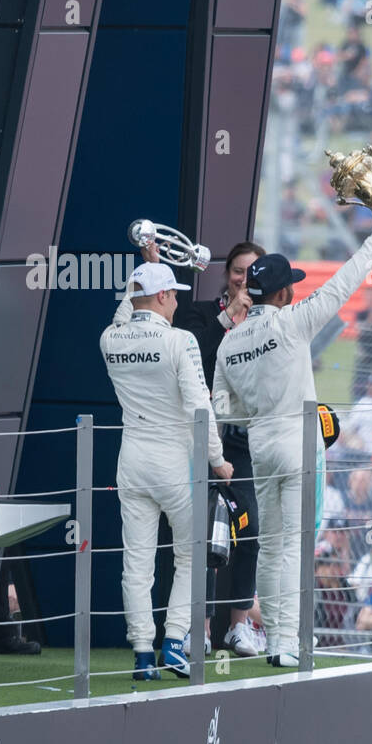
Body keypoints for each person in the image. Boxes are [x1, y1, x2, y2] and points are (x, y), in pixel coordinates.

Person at [213, 195, 372, 666]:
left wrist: (257, 407)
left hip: (259, 444)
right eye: (290, 286)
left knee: (271, 547)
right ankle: (287, 643)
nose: (294, 291)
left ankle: (277, 639)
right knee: (292, 548)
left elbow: (220, 407)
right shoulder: (293, 324)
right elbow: (342, 286)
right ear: (280, 294)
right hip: (296, 443)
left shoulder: (229, 340)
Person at [100, 259, 233, 680]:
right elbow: (201, 407)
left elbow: (127, 308)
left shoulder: (110, 339)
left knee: (136, 562)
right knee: (189, 556)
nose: (177, 301)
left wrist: (147, 266)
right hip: (176, 463)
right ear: (162, 297)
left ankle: (142, 652)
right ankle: (174, 642)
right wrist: (218, 459)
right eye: (173, 293)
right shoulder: (181, 341)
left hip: (132, 462)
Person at [174, 240, 266, 658]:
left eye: (252, 272)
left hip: (244, 436)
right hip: (204, 435)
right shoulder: (198, 314)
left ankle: (239, 625)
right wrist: (229, 317)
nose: (244, 279)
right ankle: (202, 628)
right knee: (206, 531)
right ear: (226, 274)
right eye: (237, 271)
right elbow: (195, 356)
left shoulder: (268, 324)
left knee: (249, 527)